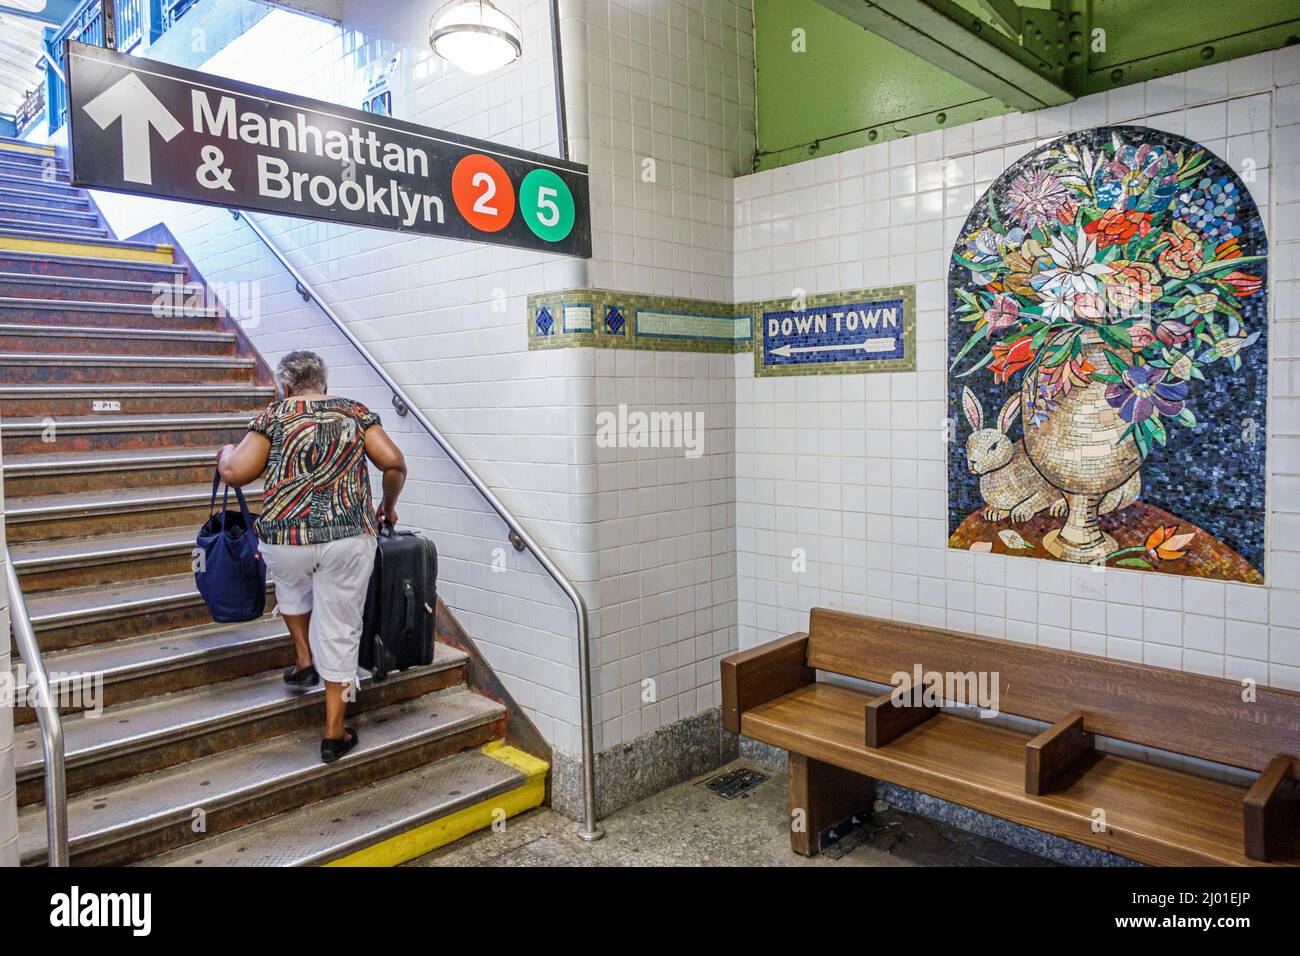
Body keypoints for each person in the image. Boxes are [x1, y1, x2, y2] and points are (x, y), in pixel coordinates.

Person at [217, 350, 407, 762]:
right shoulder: (354, 412)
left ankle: (304, 659)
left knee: (291, 588)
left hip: (286, 539)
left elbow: (235, 472)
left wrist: (225, 452)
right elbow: (393, 462)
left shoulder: (273, 416)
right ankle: (334, 734)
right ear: (325, 384)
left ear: (285, 386)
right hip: (347, 538)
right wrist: (387, 506)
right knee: (340, 627)